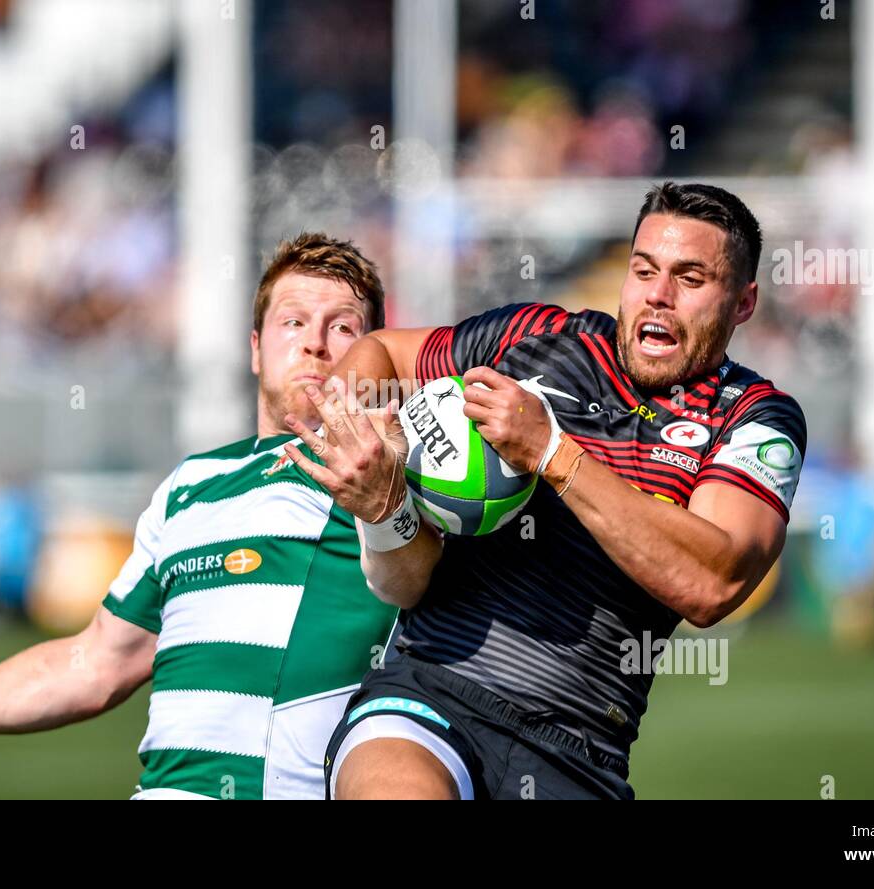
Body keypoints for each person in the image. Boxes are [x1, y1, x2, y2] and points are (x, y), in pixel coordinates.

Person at [0, 232, 398, 800]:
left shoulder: (401, 473)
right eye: (293, 321)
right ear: (257, 350)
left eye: (343, 327)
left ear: (377, 353)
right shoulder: (189, 487)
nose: (315, 341)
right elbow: (95, 663)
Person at [288, 182, 807, 799]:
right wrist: (366, 431)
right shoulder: (539, 335)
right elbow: (381, 355)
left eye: (690, 279)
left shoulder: (753, 416)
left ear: (743, 302)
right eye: (644, 271)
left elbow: (712, 582)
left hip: (581, 750)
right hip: (427, 696)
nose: (658, 297)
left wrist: (551, 452)